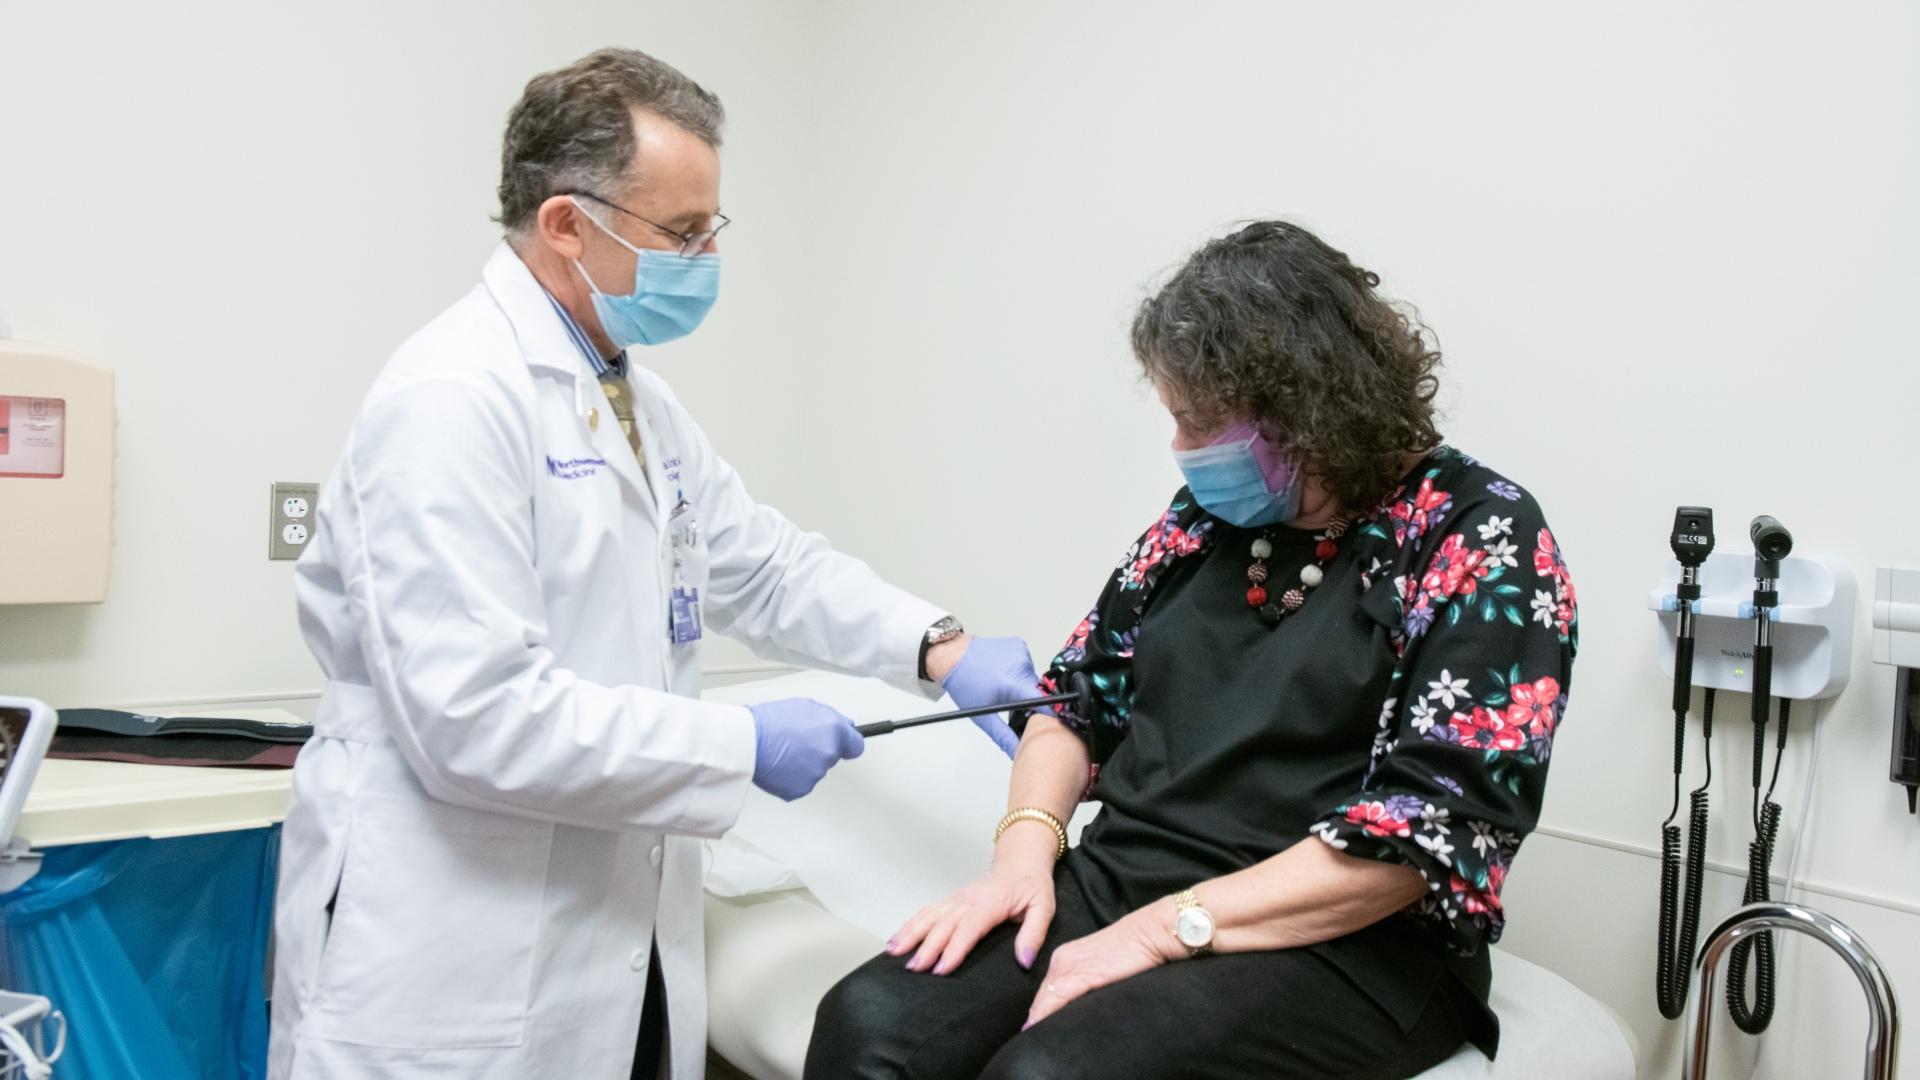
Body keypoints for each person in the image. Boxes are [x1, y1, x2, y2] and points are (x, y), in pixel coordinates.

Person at [265, 48, 1041, 1080]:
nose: (706, 256)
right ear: (565, 225)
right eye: (681, 233)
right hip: (455, 956)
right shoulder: (451, 400)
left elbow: (760, 565)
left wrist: (937, 647)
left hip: (611, 937)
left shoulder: (633, 399)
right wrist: (737, 744)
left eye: (712, 227)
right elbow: (476, 718)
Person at [806, 221, 1580, 1080]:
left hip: (1344, 936)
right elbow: (1074, 708)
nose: (1183, 452)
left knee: (1054, 1075)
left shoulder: (1479, 536)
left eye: (1202, 424)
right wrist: (1020, 860)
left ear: (1311, 407)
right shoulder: (1200, 526)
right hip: (1123, 876)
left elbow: (1426, 838)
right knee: (866, 1021)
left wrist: (1156, 934)